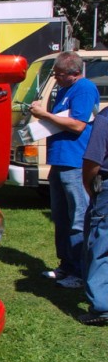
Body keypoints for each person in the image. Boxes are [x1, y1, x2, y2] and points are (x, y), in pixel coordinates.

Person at [30, 51, 100, 288]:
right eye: (55, 74)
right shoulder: (64, 89)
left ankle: (80, 273)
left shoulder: (85, 88)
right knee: (60, 218)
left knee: (77, 218)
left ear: (74, 73)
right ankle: (66, 266)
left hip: (75, 163)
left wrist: (44, 114)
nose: (56, 78)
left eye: (59, 75)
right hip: (59, 161)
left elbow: (78, 125)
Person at [80, 108, 108, 325]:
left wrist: (89, 185)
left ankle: (101, 307)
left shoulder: (105, 118)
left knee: (100, 245)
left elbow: (92, 160)